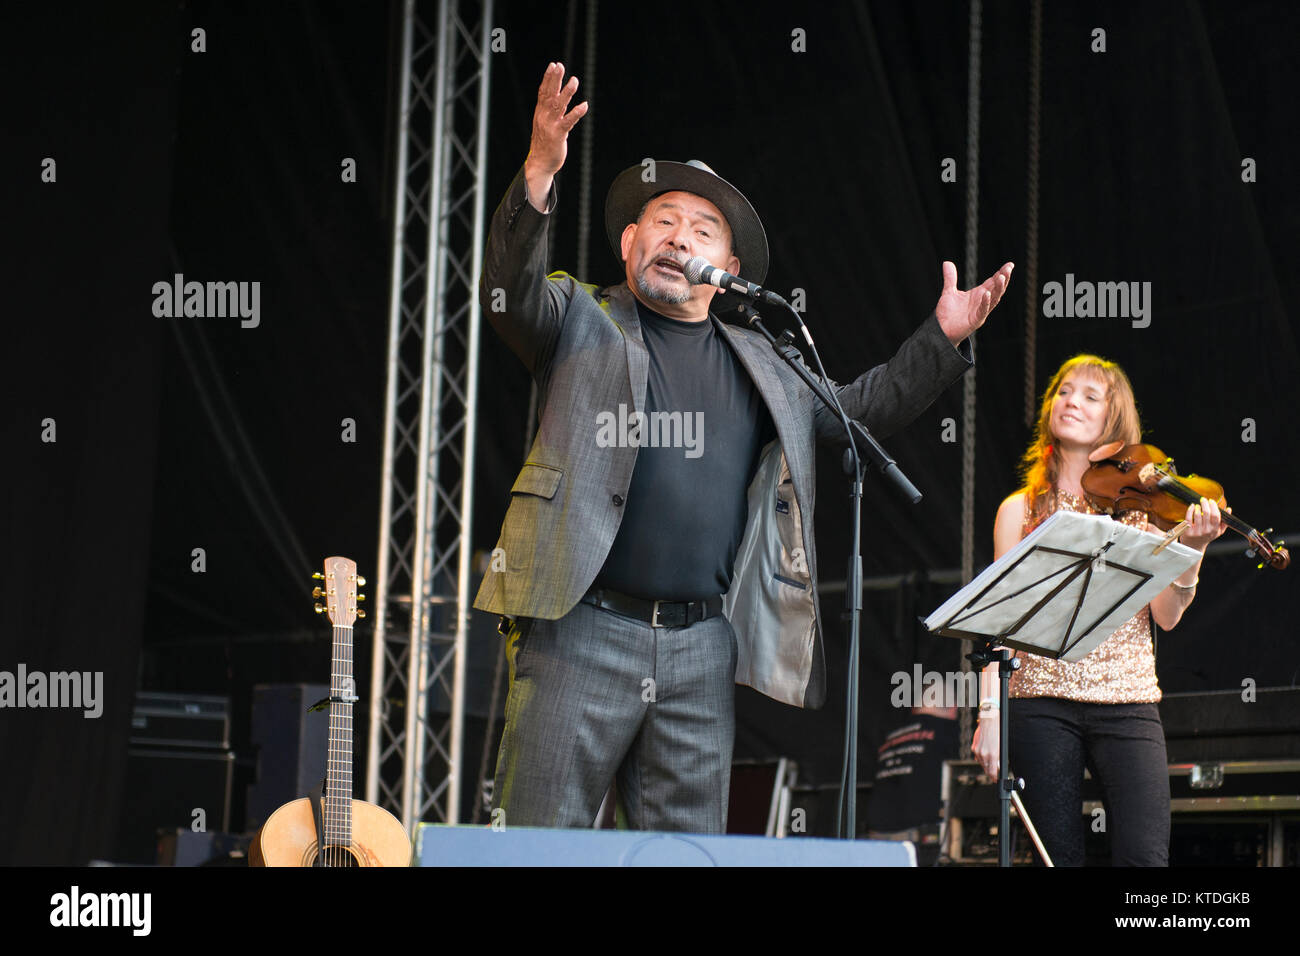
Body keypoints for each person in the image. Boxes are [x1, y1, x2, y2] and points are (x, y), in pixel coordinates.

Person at [478, 61, 1014, 832]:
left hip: (700, 648)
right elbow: (510, 287)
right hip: (578, 629)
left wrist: (942, 339)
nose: (678, 238)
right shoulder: (578, 317)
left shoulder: (764, 359)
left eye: (702, 231)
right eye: (662, 221)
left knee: (687, 856)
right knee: (539, 843)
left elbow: (859, 408)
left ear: (726, 271)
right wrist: (538, 170)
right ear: (630, 241)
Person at [971, 354, 1228, 865]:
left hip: (1127, 699)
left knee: (1144, 859)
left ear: (1114, 423)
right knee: (1057, 858)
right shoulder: (1017, 509)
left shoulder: (1144, 508)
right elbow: (997, 622)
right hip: (1040, 698)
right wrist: (989, 712)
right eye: (1064, 391)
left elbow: (1167, 616)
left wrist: (1192, 554)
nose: (1071, 402)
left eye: (1091, 396)